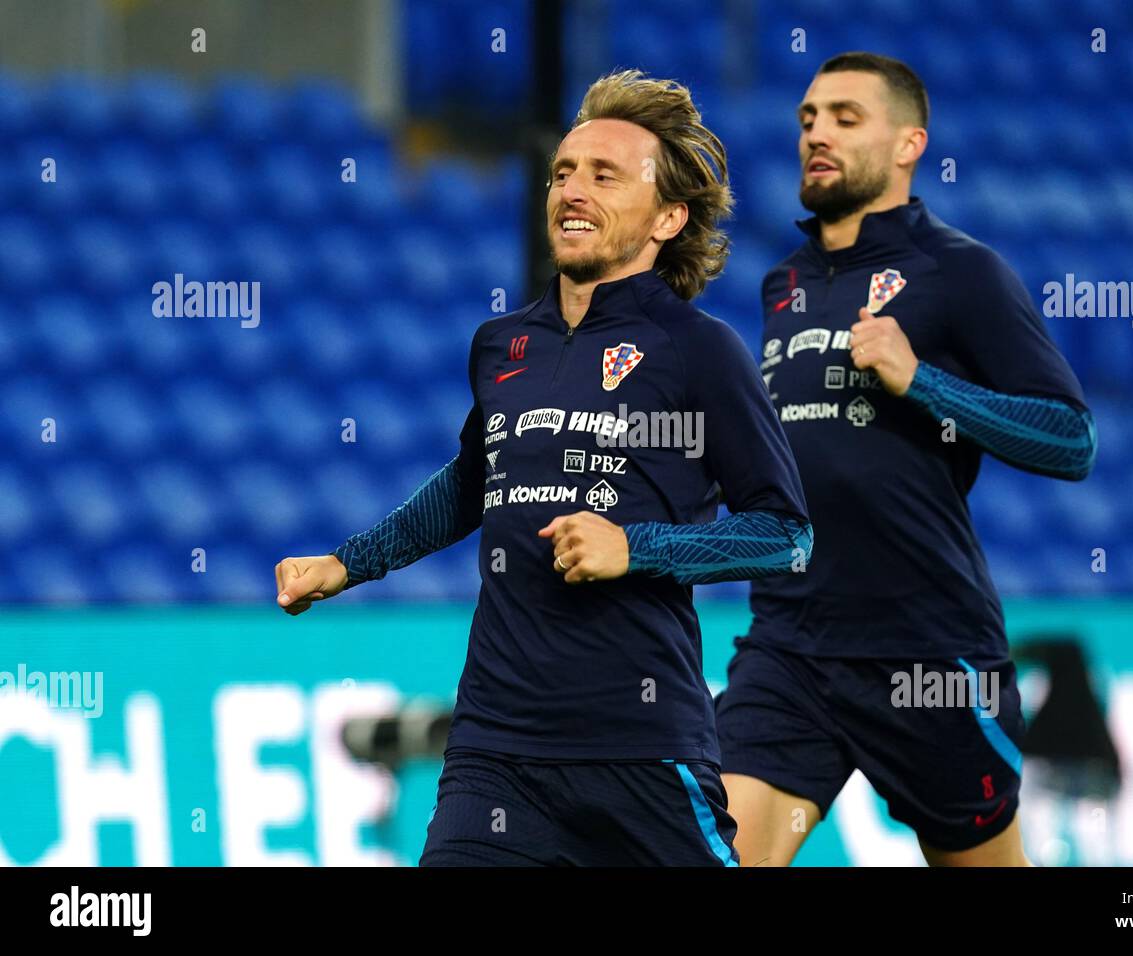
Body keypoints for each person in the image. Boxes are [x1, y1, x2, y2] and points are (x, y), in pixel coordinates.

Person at [275, 70, 812, 867]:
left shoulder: (700, 353)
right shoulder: (503, 345)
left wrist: (637, 548)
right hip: (498, 751)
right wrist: (348, 562)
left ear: (668, 217)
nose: (572, 188)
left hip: (640, 748)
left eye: (603, 174)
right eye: (563, 171)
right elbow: (468, 484)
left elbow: (785, 536)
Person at [716, 52, 1096, 866]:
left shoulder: (960, 273)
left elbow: (1070, 439)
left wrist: (921, 381)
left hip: (930, 657)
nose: (817, 133)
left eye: (846, 118)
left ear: (907, 144)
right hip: (791, 647)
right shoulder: (782, 284)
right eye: (808, 119)